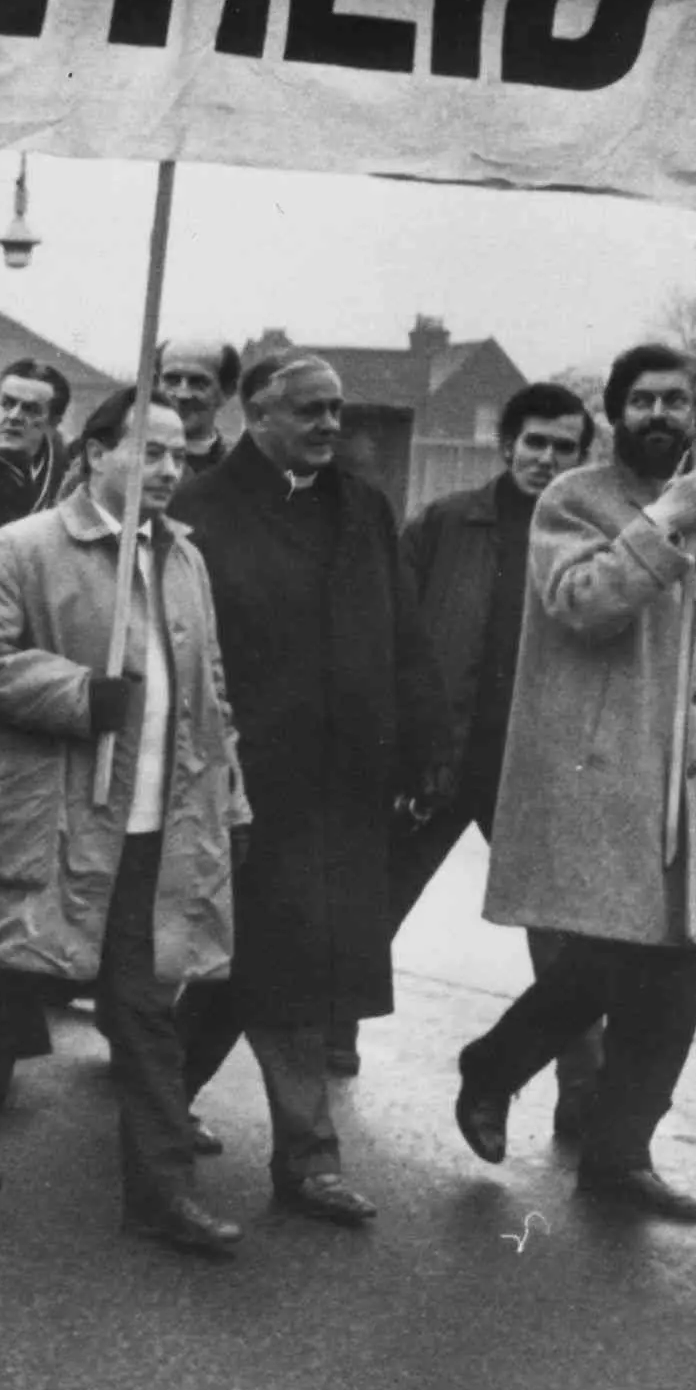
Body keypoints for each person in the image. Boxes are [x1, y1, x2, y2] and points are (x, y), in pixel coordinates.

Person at [0, 391, 250, 1252]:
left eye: (180, 458)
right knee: (12, 974)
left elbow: (209, 688)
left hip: (158, 822)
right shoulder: (25, 547)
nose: (169, 472)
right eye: (150, 453)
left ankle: (161, 1191)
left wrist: (232, 798)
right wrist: (77, 692)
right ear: (95, 453)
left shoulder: (184, 558)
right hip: (60, 812)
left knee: (147, 1007)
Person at [451, 345, 696, 1222]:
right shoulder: (573, 499)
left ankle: (619, 1159)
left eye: (676, 400)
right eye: (641, 400)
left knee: (673, 986)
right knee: (603, 967)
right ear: (615, 416)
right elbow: (580, 602)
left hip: (681, 785)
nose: (659, 413)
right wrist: (664, 522)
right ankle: (493, 1067)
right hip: (604, 776)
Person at [168, 351, 446, 1227]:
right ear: (257, 415)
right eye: (310, 411)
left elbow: (404, 631)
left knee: (267, 965)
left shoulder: (362, 508)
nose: (332, 425)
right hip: (245, 782)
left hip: (344, 785)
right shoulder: (199, 512)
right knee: (282, 969)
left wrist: (423, 744)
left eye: (336, 410)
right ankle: (309, 1157)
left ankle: (159, 1101)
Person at [384, 382, 599, 1103]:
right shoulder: (445, 524)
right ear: (507, 445)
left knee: (563, 939)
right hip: (442, 755)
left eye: (562, 447)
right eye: (533, 442)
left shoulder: (591, 539)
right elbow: (396, 631)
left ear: (581, 457)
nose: (545, 458)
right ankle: (328, 1033)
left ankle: (582, 1091)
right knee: (372, 901)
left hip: (536, 769)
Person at [0, 359, 69, 522]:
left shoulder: (66, 482)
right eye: (7, 403)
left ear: (53, 423)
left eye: (30, 409)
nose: (14, 416)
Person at [153, 338, 240, 488]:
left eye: (198, 382)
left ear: (226, 391)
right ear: (154, 385)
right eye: (172, 380)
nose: (182, 394)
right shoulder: (124, 463)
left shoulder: (241, 476)